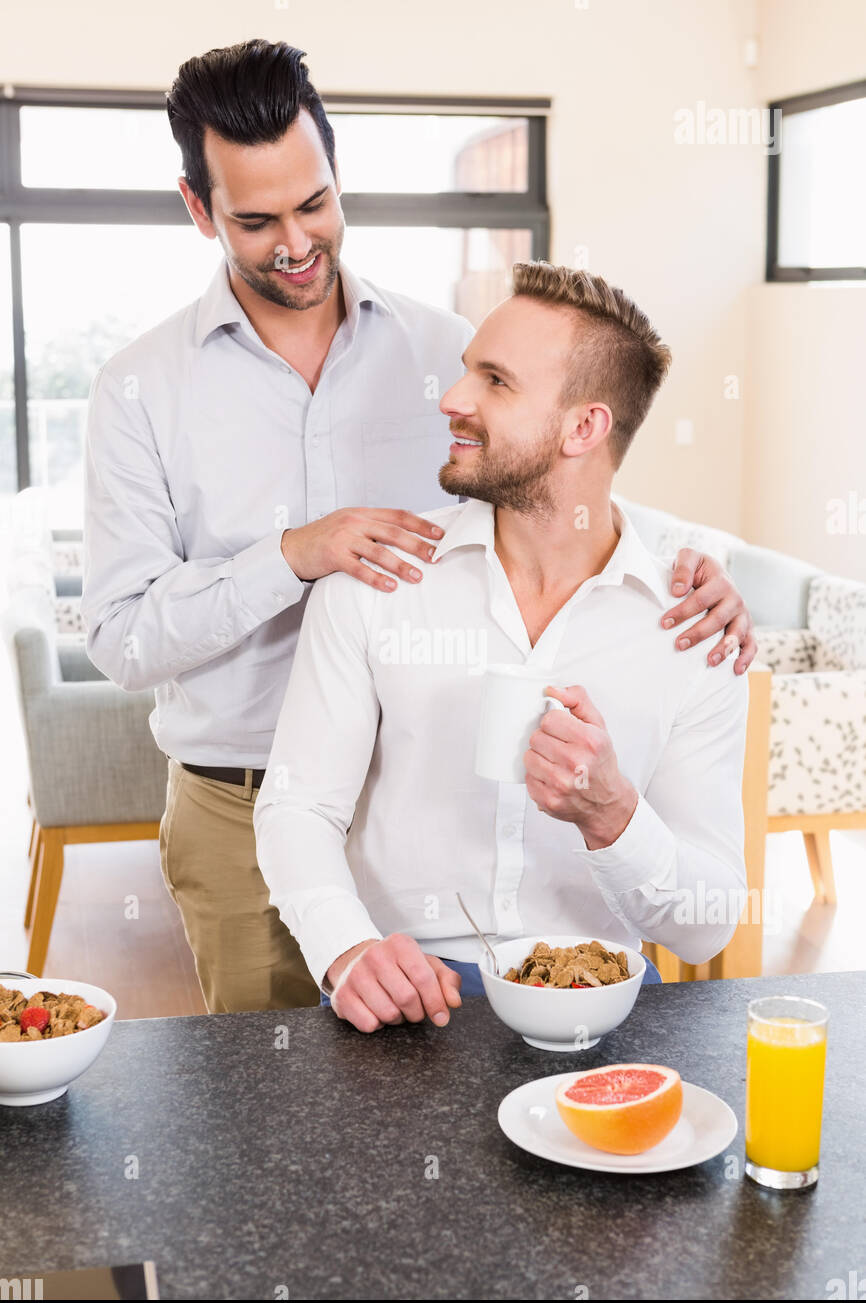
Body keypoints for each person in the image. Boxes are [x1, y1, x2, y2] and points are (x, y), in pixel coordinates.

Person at [82, 38, 753, 1017]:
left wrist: (694, 566)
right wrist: (291, 556)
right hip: (243, 801)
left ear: (336, 178)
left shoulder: (441, 348)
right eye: (257, 220)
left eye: (314, 203)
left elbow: (553, 472)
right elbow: (122, 638)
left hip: (412, 787)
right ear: (199, 209)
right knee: (280, 1106)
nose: (297, 240)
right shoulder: (140, 390)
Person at [254, 263, 750, 1034]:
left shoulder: (691, 631)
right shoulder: (378, 579)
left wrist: (614, 816)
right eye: (465, 372)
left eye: (496, 381)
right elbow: (298, 805)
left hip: (603, 996)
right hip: (411, 990)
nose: (453, 399)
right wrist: (347, 951)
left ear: (582, 428)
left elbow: (707, 922)